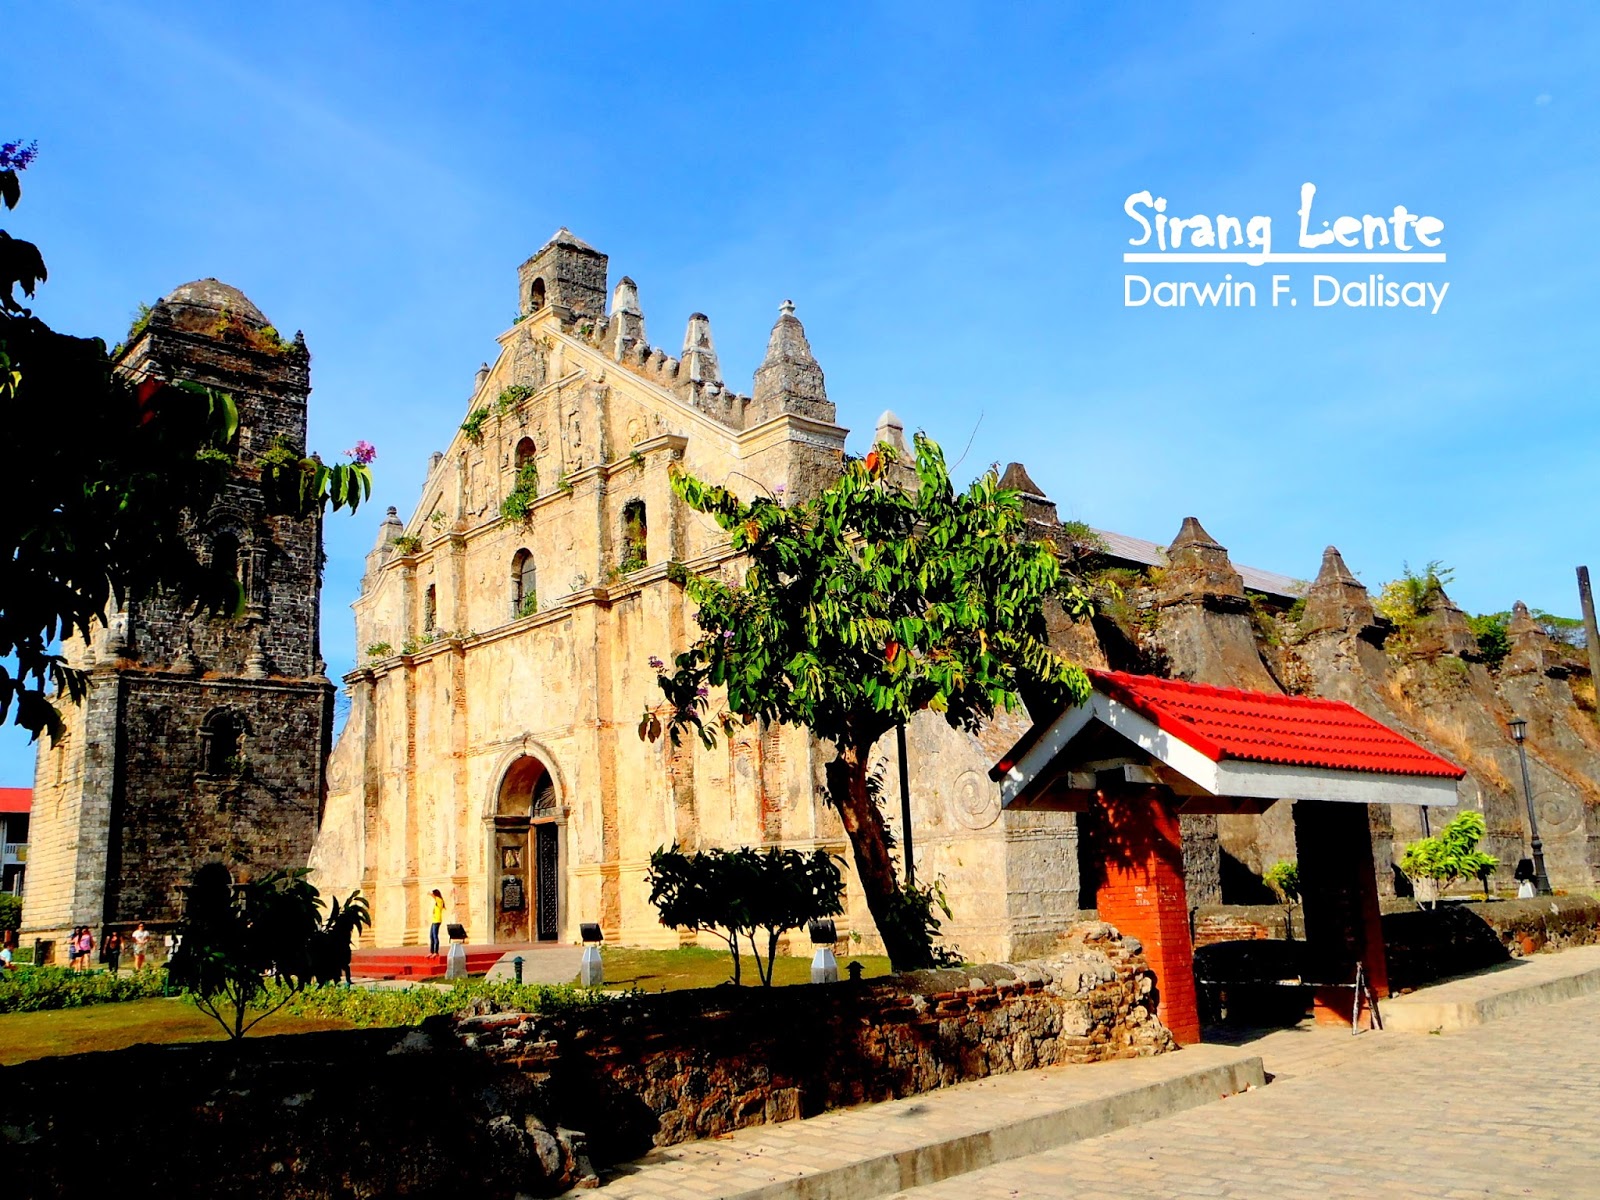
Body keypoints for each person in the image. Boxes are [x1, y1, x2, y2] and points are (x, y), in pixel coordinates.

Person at [429, 889, 445, 957]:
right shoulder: (437, 901)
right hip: (434, 921)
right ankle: (432, 951)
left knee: (435, 936)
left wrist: (430, 894)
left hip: (437, 921)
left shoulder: (440, 900)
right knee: (431, 936)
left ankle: (436, 952)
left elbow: (435, 897)